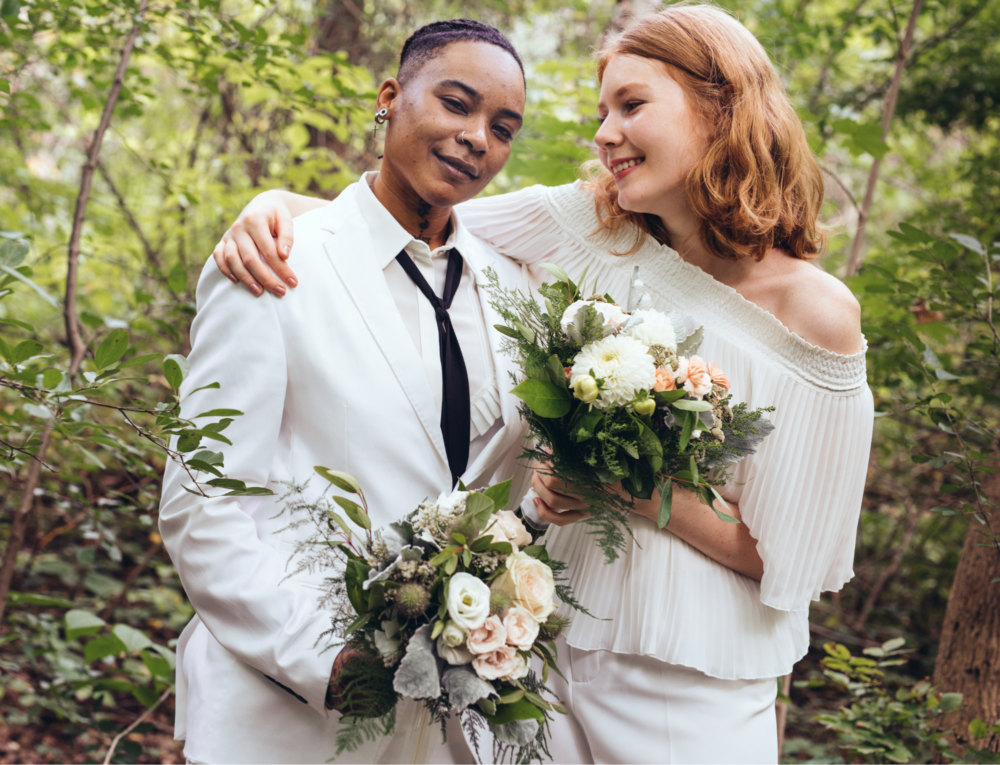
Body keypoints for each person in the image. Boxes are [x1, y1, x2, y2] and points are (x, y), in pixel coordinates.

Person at [211, 6, 875, 763]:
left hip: (691, 676)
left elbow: (792, 561)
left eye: (632, 105)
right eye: (602, 113)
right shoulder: (593, 224)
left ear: (720, 106)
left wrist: (630, 490)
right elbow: (417, 223)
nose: (605, 134)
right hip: (531, 657)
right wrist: (274, 209)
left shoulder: (816, 315)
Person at [158, 19, 534, 764]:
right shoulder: (275, 259)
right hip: (283, 713)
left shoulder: (514, 284)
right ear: (390, 97)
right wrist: (322, 660)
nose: (476, 137)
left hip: (449, 726)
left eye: (502, 128)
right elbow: (201, 500)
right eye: (456, 104)